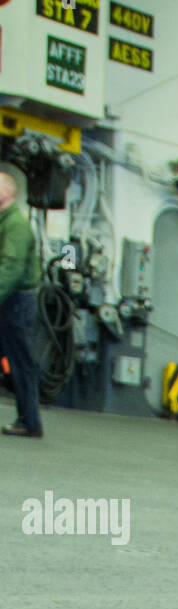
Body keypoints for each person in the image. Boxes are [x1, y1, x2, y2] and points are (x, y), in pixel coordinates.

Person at [0, 169, 43, 439]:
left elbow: (10, 268)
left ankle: (30, 422)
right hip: (10, 299)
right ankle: (28, 420)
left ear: (7, 192)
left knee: (20, 363)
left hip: (16, 302)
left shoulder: (15, 224)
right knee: (14, 362)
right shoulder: (6, 222)